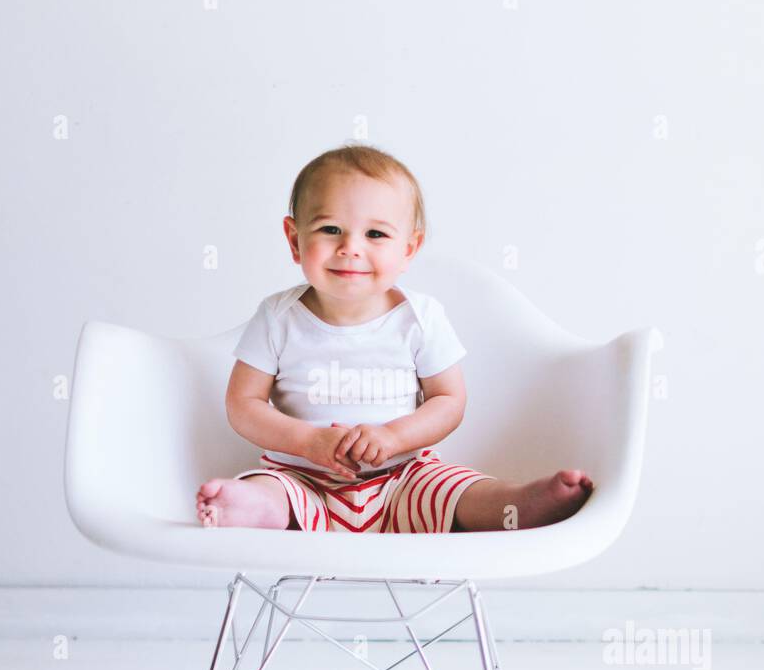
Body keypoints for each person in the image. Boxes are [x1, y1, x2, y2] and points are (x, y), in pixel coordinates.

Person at [197, 145, 593, 533]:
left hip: (402, 479)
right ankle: (245, 508)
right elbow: (243, 404)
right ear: (295, 239)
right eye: (330, 229)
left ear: (409, 249)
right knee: (271, 493)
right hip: (303, 478)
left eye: (375, 234)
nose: (351, 248)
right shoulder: (277, 318)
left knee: (456, 490)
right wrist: (309, 441)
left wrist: (392, 436)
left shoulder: (420, 318)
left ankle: (514, 506)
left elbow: (449, 400)